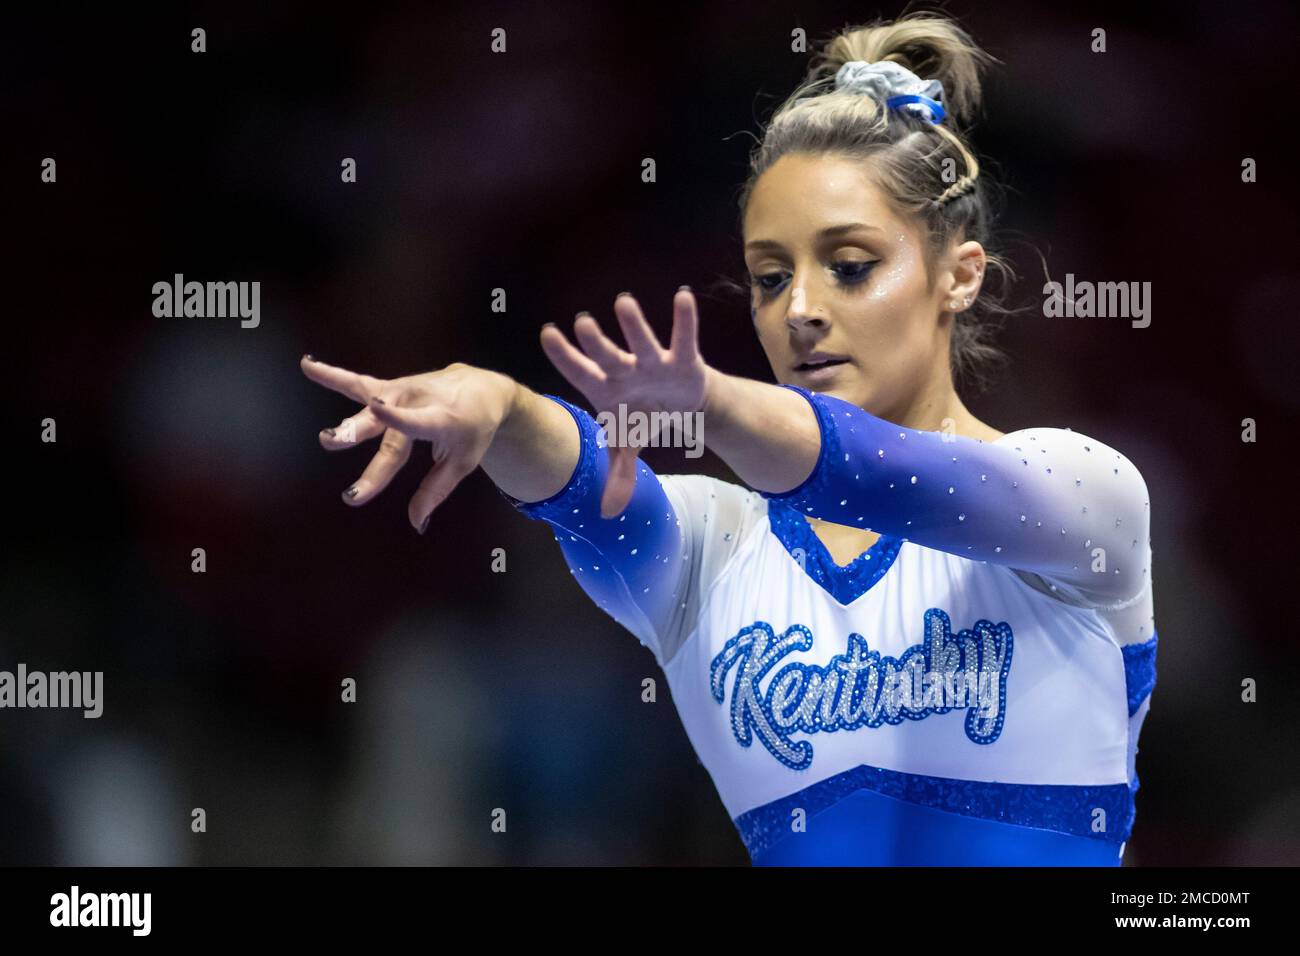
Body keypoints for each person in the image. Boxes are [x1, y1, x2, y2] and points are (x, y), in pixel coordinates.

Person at [301, 13, 1156, 866]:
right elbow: (590, 491)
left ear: (958, 274)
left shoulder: (1082, 494)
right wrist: (503, 407)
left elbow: (886, 476)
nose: (801, 311)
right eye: (771, 278)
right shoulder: (720, 553)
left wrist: (711, 402)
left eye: (851, 266)